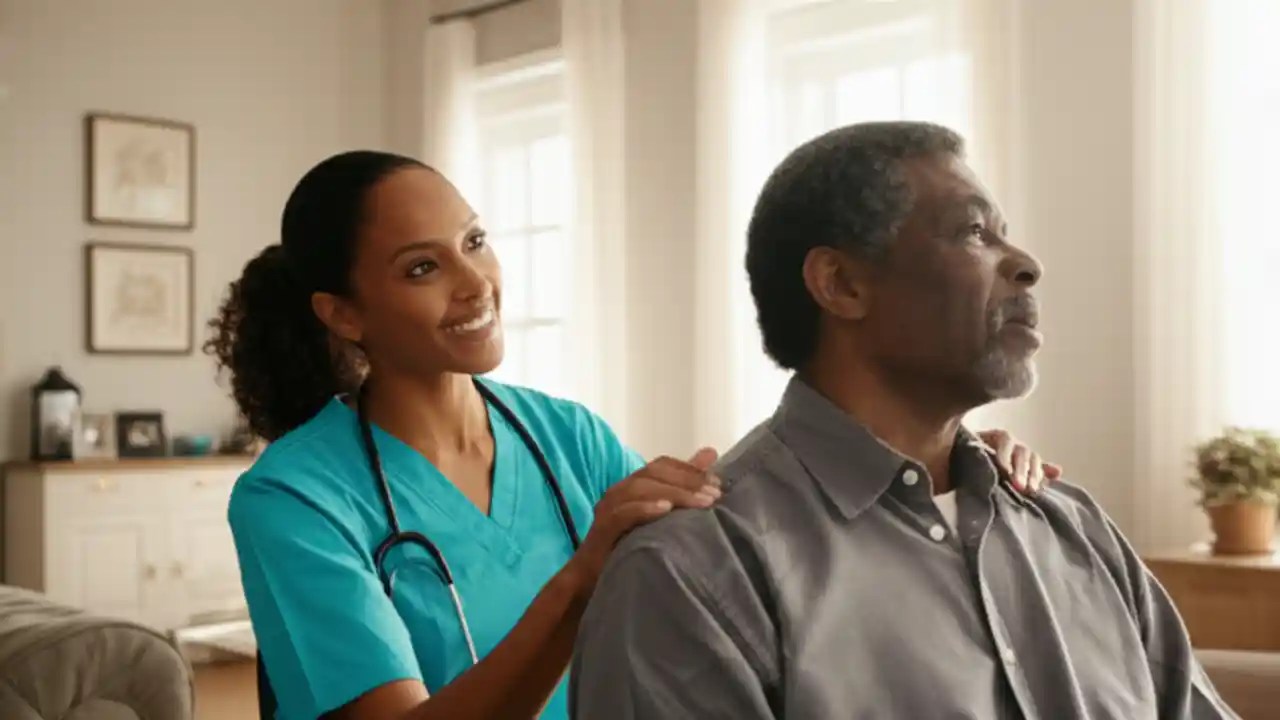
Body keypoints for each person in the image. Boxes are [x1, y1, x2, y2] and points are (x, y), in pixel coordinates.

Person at [208, 150, 1058, 720]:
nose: (475, 283)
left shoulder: (564, 435)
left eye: (475, 242)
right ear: (342, 312)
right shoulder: (294, 498)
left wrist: (944, 464)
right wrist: (580, 579)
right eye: (423, 267)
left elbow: (746, 536)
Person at [569, 123, 1236, 719]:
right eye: (974, 232)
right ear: (842, 284)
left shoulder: (1074, 529)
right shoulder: (689, 576)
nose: (1027, 265)